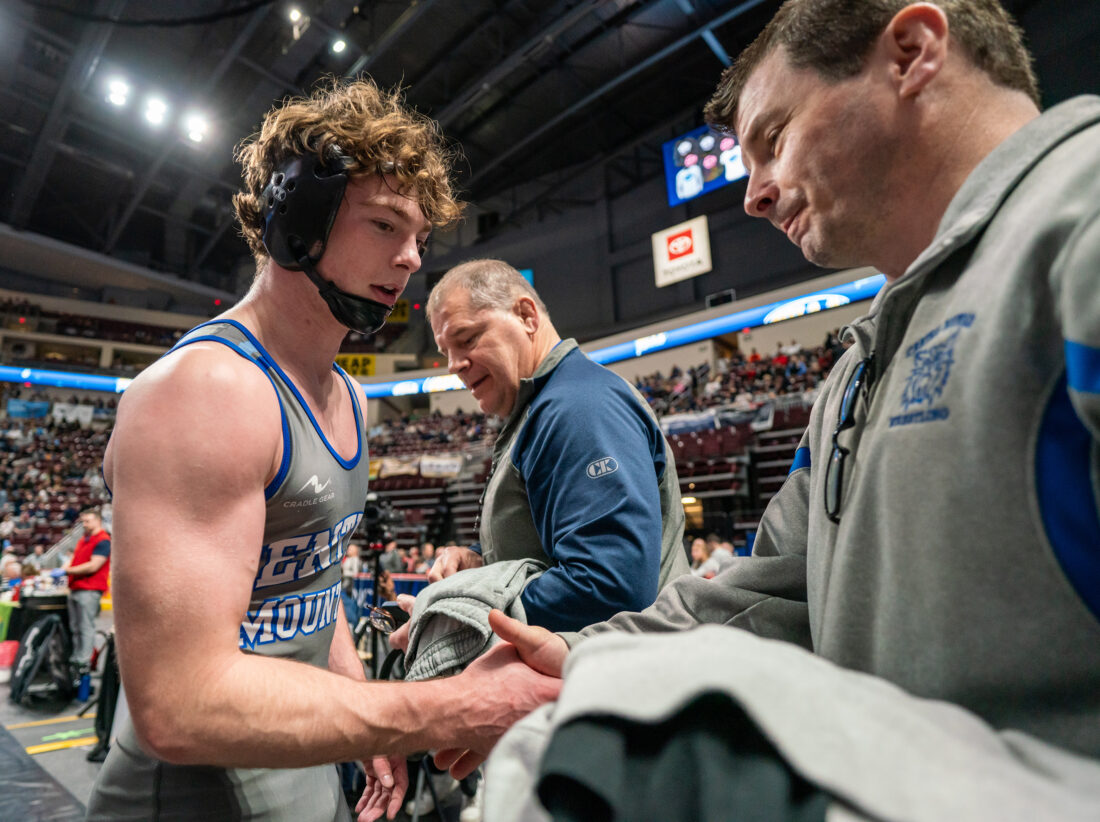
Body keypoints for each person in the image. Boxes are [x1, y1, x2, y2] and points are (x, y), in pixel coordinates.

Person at [424, 0, 1100, 808]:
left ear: (914, 52)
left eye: (772, 140)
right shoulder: (858, 368)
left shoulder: (1080, 224)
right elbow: (766, 590)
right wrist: (578, 660)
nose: (752, 196)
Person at [85, 79, 560, 822]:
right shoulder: (207, 391)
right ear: (297, 218)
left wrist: (365, 708)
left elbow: (314, 586)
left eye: (419, 241)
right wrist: (446, 708)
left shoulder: (349, 399)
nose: (409, 260)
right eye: (384, 226)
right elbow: (177, 705)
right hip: (191, 800)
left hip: (304, 773)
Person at [423, 259, 690, 631]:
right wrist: (481, 567)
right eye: (445, 351)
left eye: (466, 339)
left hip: (619, 678)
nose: (452, 365)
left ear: (526, 315)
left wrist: (463, 610)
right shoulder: (543, 408)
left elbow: (611, 587)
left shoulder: (578, 408)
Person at [63, 508, 111, 675]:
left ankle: (84, 663)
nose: (84, 524)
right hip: (76, 588)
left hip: (89, 590)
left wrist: (68, 571)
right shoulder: (84, 539)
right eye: (82, 521)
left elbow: (94, 566)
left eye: (87, 521)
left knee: (85, 627)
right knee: (75, 627)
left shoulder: (103, 541)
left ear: (98, 520)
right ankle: (76, 659)